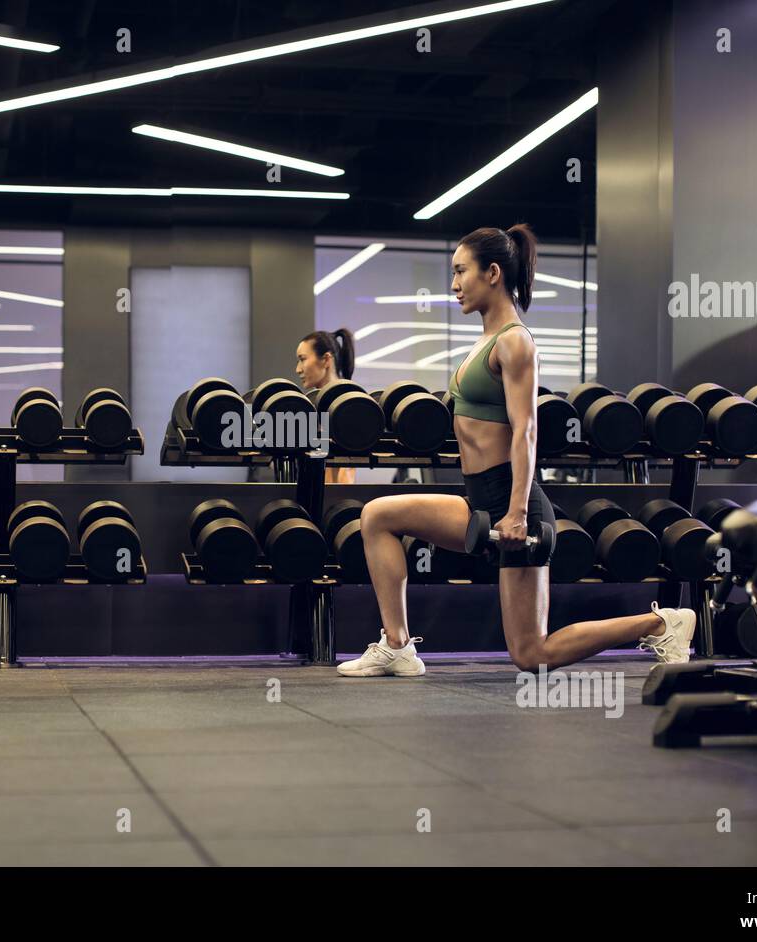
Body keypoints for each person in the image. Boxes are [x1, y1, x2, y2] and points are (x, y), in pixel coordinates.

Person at [338, 225, 695, 677]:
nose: (453, 285)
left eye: (460, 271)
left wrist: (518, 512)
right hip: (481, 498)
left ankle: (662, 622)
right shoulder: (487, 341)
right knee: (378, 517)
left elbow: (526, 430)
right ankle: (397, 645)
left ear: (492, 273)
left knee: (532, 655)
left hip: (514, 503)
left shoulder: (515, 341)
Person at [296, 328, 357, 484]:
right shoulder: (309, 406)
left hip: (336, 498)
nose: (298, 369)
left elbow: (346, 472)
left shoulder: (349, 405)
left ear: (326, 360)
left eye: (302, 359)